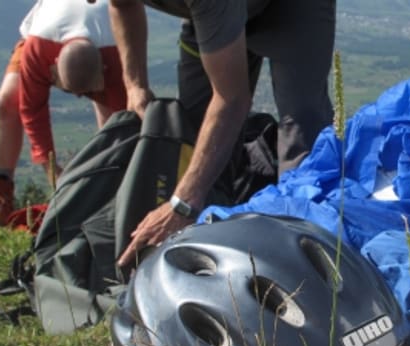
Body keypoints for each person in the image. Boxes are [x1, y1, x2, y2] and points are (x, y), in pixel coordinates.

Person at [102, 0, 337, 267]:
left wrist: (182, 205)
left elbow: (232, 99)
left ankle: (302, 260)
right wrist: (135, 85)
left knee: (301, 131)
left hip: (292, 9)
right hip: (214, 14)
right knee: (195, 130)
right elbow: (121, 5)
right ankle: (212, 248)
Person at [0, 0, 128, 228]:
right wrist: (50, 168)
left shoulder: (116, 53)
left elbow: (125, 121)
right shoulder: (37, 49)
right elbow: (32, 111)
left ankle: (110, 194)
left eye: (85, 93)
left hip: (107, 47)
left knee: (114, 122)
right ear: (53, 67)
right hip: (46, 38)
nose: (78, 97)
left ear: (104, 69)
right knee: (6, 102)